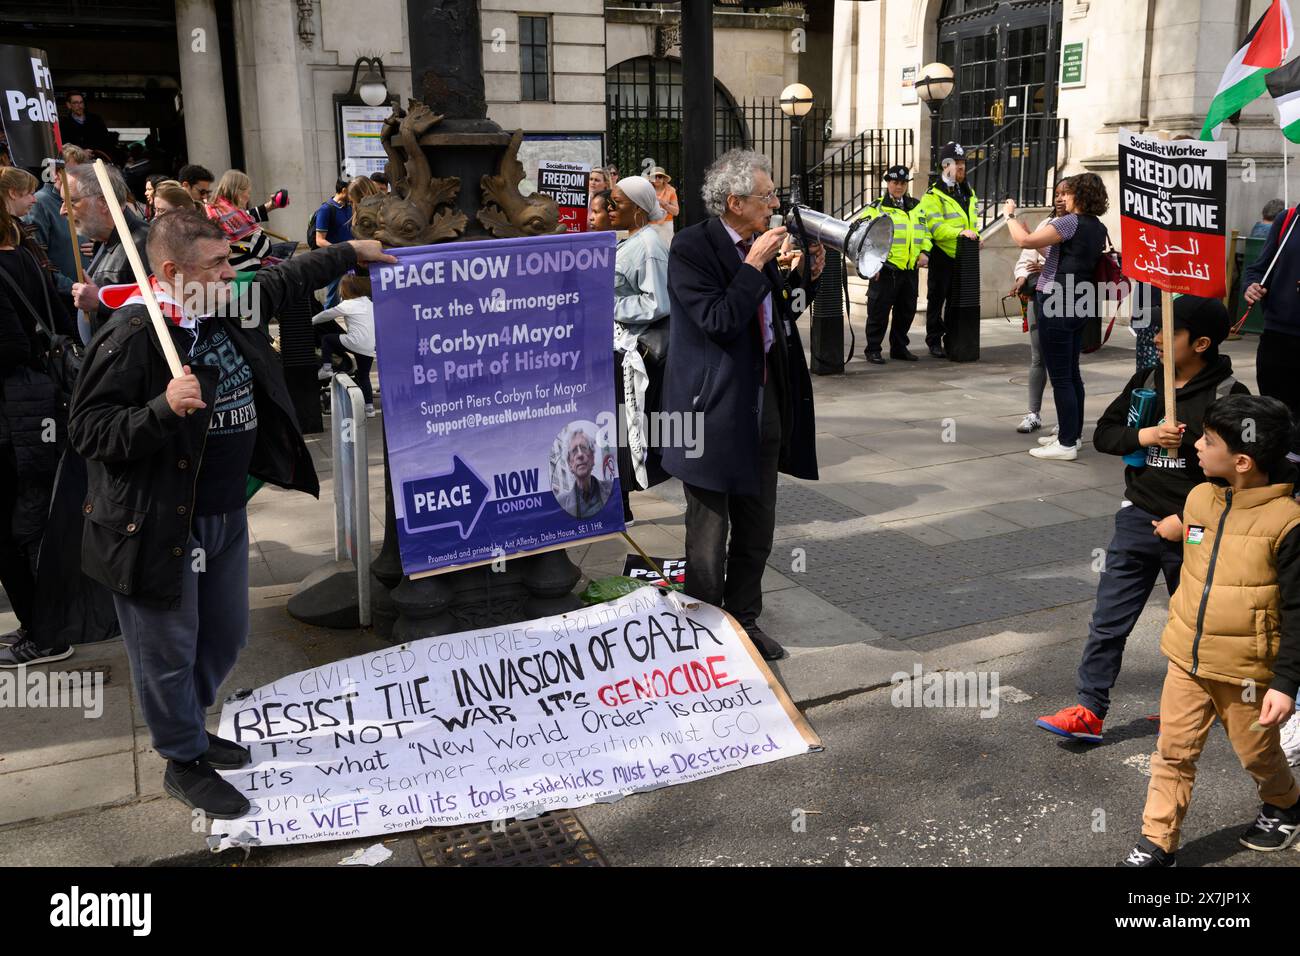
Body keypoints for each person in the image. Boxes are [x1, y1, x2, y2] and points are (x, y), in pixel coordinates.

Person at [67, 210, 396, 817]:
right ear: (172, 272)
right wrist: (161, 411)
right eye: (218, 263)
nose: (231, 271)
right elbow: (89, 430)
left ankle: (186, 729)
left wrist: (351, 251)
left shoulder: (219, 306)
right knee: (167, 650)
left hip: (223, 513)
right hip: (158, 526)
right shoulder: (135, 335)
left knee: (225, 634)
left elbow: (282, 283)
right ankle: (182, 757)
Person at [1035, 296, 1245, 743]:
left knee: (1192, 629)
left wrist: (1187, 524)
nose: (1157, 337)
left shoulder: (1229, 397)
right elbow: (1107, 435)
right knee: (1108, 620)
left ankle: (1186, 709)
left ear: (1202, 343)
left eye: (1172, 332)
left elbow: (1241, 478)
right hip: (1138, 518)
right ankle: (1089, 709)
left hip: (1194, 532)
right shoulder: (1148, 379)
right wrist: (1144, 435)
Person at [1120, 394, 1300, 865]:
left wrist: (1285, 684)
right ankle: (1156, 844)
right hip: (1186, 655)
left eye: (1208, 440)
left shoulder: (1288, 523)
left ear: (1241, 461)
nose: (1196, 445)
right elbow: (1205, 537)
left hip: (1245, 672)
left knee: (1256, 754)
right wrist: (1181, 527)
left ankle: (1284, 802)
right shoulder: (1200, 497)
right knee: (1173, 752)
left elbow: (1298, 609)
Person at [660, 149, 823, 662]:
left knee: (758, 522)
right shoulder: (691, 247)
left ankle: (744, 619)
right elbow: (719, 320)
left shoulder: (759, 245)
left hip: (762, 401)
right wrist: (754, 265)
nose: (775, 203)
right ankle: (707, 625)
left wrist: (806, 279)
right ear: (733, 202)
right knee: (708, 528)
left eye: (773, 194)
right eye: (766, 196)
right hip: (706, 408)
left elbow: (775, 316)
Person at [0, 167, 79, 660]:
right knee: (31, 521)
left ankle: (44, 634)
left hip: (15, 416)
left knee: (16, 530)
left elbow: (8, 347)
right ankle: (45, 626)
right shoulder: (25, 255)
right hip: (37, 403)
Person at [1005, 172, 1110, 462]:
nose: (1062, 197)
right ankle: (1072, 435)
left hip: (1057, 298)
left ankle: (1065, 444)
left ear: (1082, 195)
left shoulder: (1068, 221)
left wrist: (1009, 216)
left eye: (1069, 193)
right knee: (1072, 373)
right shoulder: (1096, 226)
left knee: (1061, 376)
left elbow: (1024, 241)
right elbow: (1059, 252)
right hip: (1080, 298)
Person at [608, 175, 671, 520]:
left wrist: (609, 306)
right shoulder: (633, 240)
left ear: (637, 209)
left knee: (626, 424)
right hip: (620, 348)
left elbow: (658, 302)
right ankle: (620, 500)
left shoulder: (649, 245)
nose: (610, 207)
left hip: (634, 351)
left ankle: (623, 501)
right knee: (617, 423)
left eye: (617, 202)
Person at [64, 163, 151, 336]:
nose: (63, 210)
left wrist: (102, 302)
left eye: (71, 201)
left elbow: (164, 310)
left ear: (103, 202)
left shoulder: (144, 243)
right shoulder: (106, 240)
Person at [1243, 199, 1300, 456]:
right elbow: (1258, 269)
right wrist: (1252, 285)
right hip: (1278, 336)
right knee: (1275, 413)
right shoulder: (1288, 219)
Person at [857, 165, 929, 364]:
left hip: (909, 269)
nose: (899, 187)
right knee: (878, 312)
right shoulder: (876, 208)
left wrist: (924, 252)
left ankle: (899, 347)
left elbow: (925, 233)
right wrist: (871, 266)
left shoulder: (916, 206)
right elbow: (864, 238)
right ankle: (873, 349)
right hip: (885, 269)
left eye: (903, 183)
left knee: (906, 311)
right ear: (888, 183)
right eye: (895, 182)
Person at [1011, 181, 1067, 434]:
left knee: (1063, 362)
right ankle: (1033, 413)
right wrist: (1021, 277)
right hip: (1038, 295)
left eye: (1065, 194)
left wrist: (1049, 268)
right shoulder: (1047, 224)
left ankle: (1065, 418)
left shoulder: (1078, 225)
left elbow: (1078, 263)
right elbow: (1027, 258)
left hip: (1065, 299)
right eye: (1056, 194)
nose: (1059, 199)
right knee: (1038, 358)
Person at [917, 142, 979, 359]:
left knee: (957, 301)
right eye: (956, 164)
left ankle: (952, 338)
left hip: (964, 255)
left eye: (963, 164)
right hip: (943, 254)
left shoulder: (968, 192)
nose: (961, 168)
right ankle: (934, 339)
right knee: (937, 299)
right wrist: (960, 233)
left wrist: (974, 235)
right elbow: (935, 227)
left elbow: (973, 219)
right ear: (945, 166)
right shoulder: (933, 196)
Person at [24, 144, 90, 304]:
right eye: (72, 172)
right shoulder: (40, 203)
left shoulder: (85, 198)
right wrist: (71, 287)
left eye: (81, 172)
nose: (78, 178)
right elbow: (38, 258)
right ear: (54, 173)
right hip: (65, 299)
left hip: (90, 294)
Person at [312, 273, 376, 416]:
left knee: (328, 339)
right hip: (369, 347)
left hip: (355, 342)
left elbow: (326, 315)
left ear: (344, 291)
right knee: (364, 376)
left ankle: (327, 368)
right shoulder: (369, 303)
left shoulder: (347, 305)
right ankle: (370, 408)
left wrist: (311, 321)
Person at [206, 169, 289, 272]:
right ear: (238, 192)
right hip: (247, 279)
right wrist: (254, 236)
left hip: (225, 277)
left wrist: (270, 206)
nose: (249, 197)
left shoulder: (213, 210)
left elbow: (248, 216)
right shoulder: (236, 218)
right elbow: (264, 248)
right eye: (248, 193)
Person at [555, 428, 612, 519]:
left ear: (592, 458)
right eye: (574, 451)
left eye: (583, 448)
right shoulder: (561, 502)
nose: (580, 455)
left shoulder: (612, 488)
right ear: (570, 464)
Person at [649, 167, 678, 248]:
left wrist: (663, 203)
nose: (657, 178)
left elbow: (676, 212)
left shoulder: (671, 190)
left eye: (660, 176)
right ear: (651, 179)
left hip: (666, 225)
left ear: (663, 178)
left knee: (667, 250)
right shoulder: (647, 190)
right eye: (655, 176)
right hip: (650, 225)